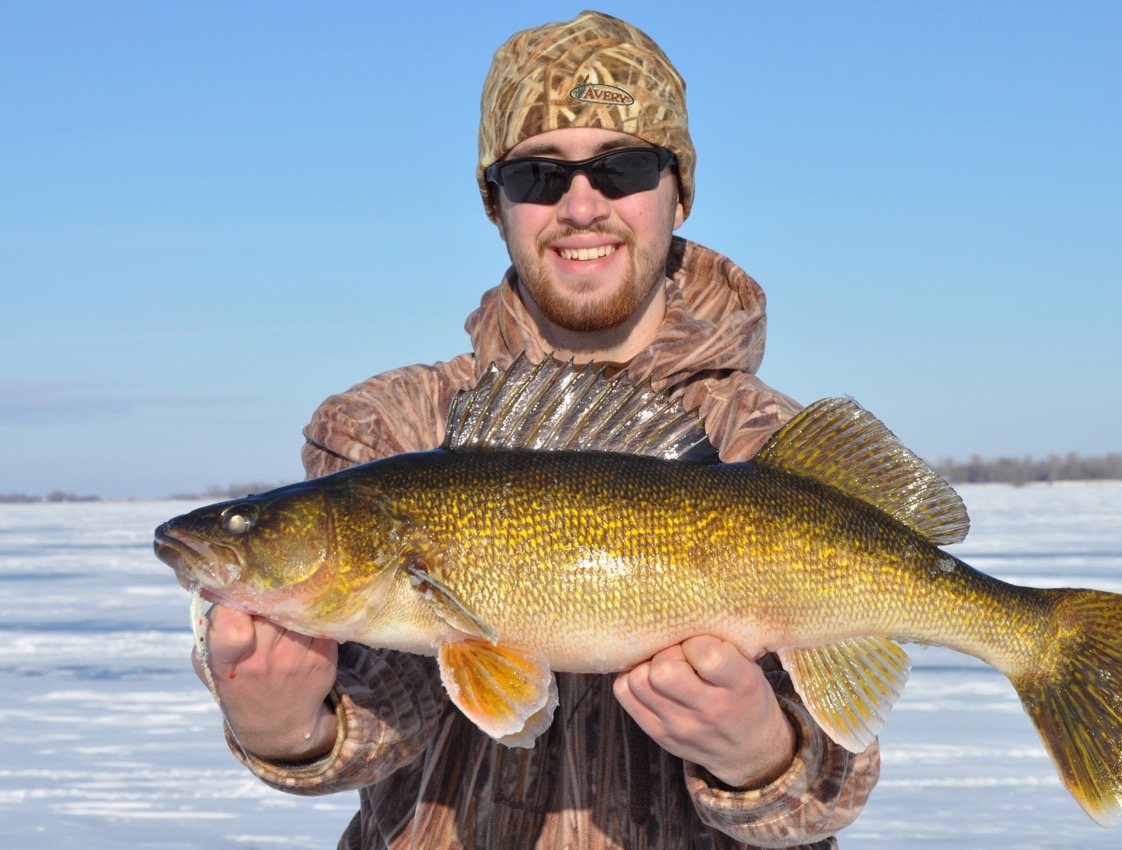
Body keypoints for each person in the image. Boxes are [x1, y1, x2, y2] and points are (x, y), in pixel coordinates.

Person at [193, 11, 880, 848]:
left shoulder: (768, 440)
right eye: (537, 177)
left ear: (679, 188)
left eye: (622, 166)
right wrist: (284, 725)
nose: (581, 204)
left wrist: (763, 756)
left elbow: (839, 778)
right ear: (495, 201)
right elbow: (386, 707)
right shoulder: (391, 427)